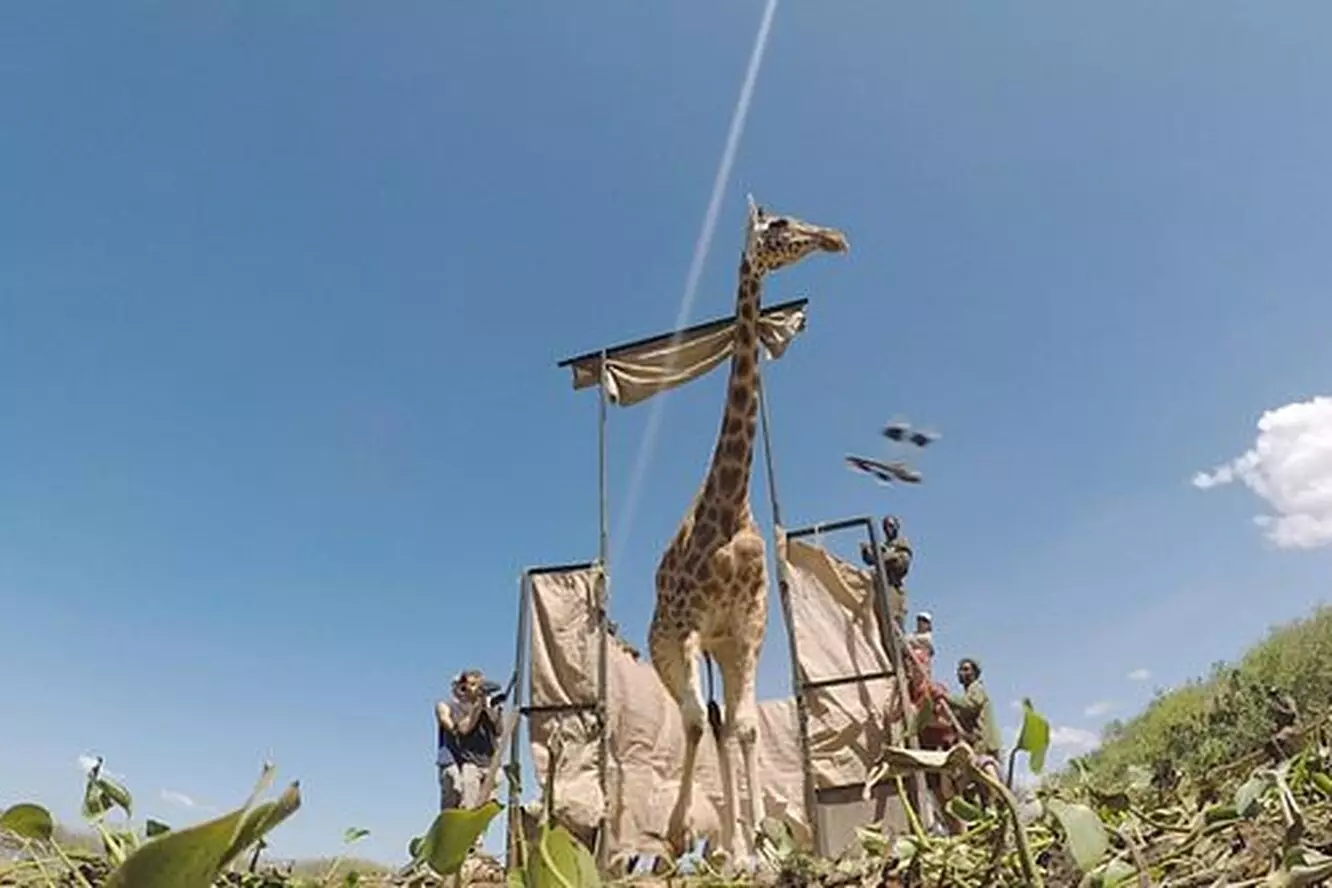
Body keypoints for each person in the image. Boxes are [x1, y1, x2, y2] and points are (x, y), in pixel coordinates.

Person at [436, 669, 502, 813]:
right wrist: (476, 706)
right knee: (456, 789)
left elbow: (499, 730)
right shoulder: (447, 705)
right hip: (453, 759)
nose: (464, 690)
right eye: (461, 686)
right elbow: (459, 728)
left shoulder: (486, 704)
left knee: (484, 805)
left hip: (481, 760)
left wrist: (485, 703)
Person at [948, 658, 1003, 782]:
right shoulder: (968, 692)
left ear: (975, 673)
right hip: (978, 744)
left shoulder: (977, 688)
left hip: (985, 744)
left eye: (966, 669)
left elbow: (971, 705)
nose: (961, 672)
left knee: (990, 778)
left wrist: (946, 697)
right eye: (960, 670)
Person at [860, 516, 913, 628]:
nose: (888, 529)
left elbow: (902, 563)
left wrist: (882, 556)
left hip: (893, 588)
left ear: (897, 527)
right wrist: (867, 553)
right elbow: (872, 561)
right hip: (879, 588)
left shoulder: (901, 543)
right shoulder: (882, 546)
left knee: (893, 624)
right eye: (885, 526)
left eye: (891, 525)